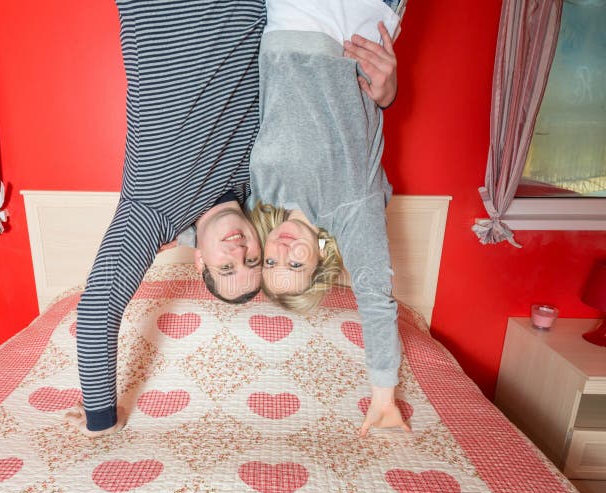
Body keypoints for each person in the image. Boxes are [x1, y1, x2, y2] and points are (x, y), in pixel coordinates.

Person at [71, 1, 265, 436]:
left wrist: (100, 419)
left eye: (226, 266)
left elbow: (97, 312)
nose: (237, 251)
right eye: (251, 260)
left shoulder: (151, 213)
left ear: (200, 262)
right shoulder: (265, 173)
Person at [249, 0, 410, 435]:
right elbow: (376, 298)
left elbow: (213, 225)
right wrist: (383, 396)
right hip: (344, 29)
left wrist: (181, 237)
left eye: (270, 262)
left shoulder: (262, 201)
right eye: (296, 264)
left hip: (286, 20)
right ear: (322, 258)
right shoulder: (350, 210)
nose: (281, 251)